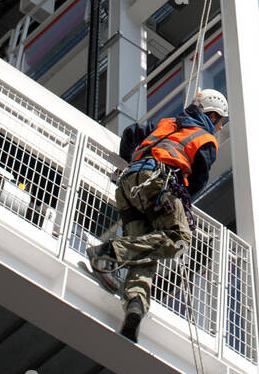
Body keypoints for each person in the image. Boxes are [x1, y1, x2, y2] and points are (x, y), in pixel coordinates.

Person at [86, 89, 228, 342]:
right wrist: (177, 205)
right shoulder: (206, 139)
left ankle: (135, 307)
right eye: (221, 121)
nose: (220, 127)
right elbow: (197, 182)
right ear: (213, 115)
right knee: (179, 239)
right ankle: (109, 252)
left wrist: (131, 162)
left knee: (145, 252)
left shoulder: (166, 124)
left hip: (128, 185)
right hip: (157, 186)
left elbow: (131, 133)